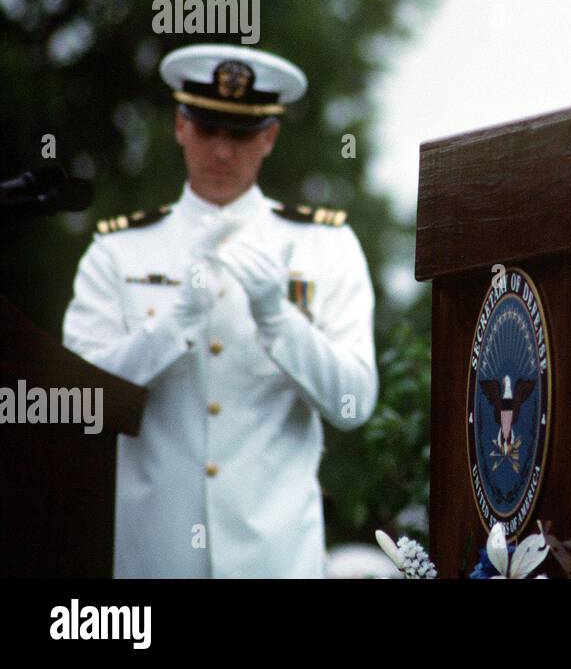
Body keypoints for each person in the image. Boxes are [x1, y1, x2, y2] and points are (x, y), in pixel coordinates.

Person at [63, 43, 378, 578]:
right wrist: (173, 326)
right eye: (208, 129)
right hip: (156, 561)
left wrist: (280, 322)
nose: (223, 152)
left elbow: (354, 405)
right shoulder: (120, 251)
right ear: (180, 125)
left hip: (276, 561)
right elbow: (78, 403)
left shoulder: (324, 245)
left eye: (241, 134)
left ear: (270, 137)